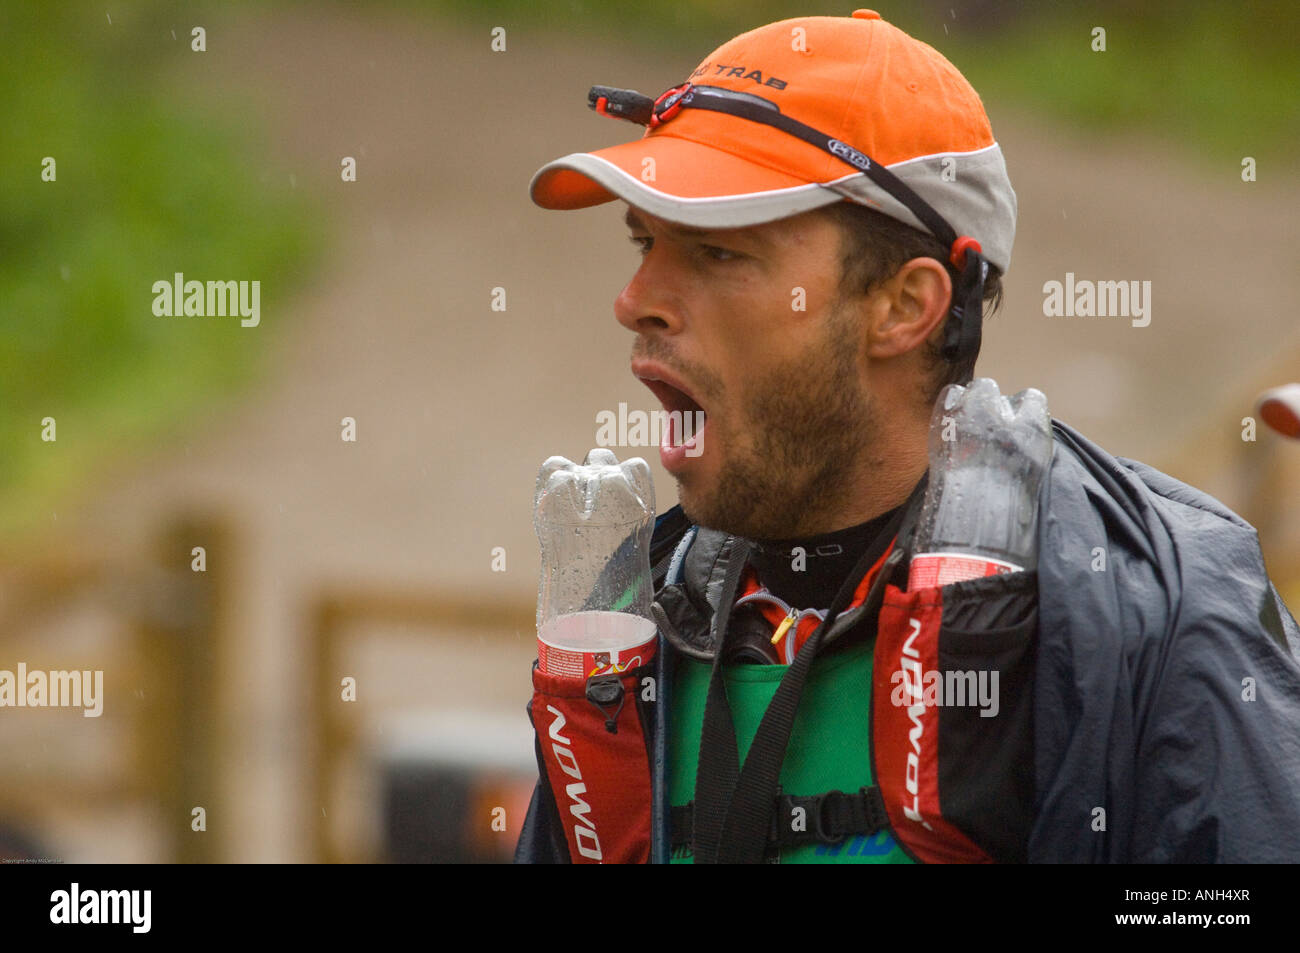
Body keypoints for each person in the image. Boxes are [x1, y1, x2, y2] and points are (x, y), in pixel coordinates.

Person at [514, 10, 1300, 863]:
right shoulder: (628, 634)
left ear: (904, 306)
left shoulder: (1155, 611)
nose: (635, 301)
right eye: (645, 242)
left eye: (715, 254)